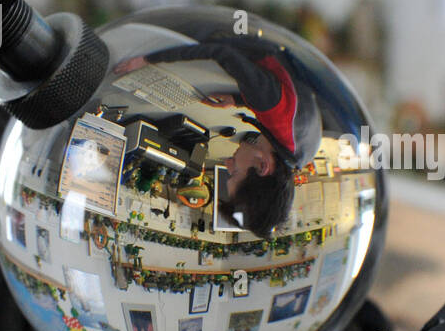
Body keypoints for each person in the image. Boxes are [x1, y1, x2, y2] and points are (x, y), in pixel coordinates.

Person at [114, 35, 320, 237]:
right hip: (255, 43)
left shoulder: (300, 155)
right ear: (262, 166)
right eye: (235, 173)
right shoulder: (273, 109)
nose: (227, 163)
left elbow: (274, 97)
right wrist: (147, 60)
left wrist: (239, 100)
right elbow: (219, 52)